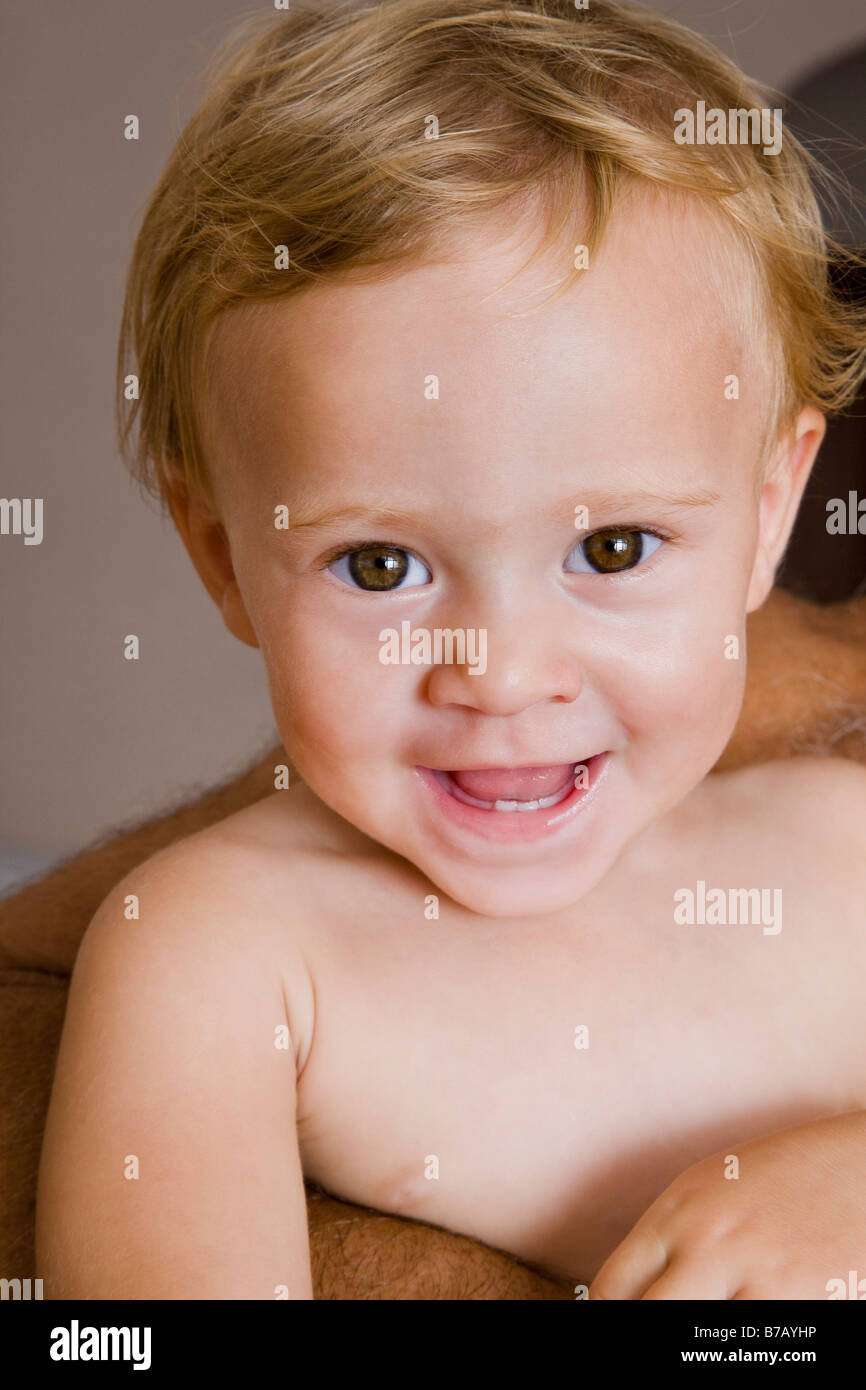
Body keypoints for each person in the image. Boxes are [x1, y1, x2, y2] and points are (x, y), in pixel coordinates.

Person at [35, 0, 866, 1299]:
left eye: (610, 550)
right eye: (382, 565)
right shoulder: (221, 951)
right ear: (223, 559)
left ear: (768, 518)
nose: (500, 669)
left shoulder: (839, 842)